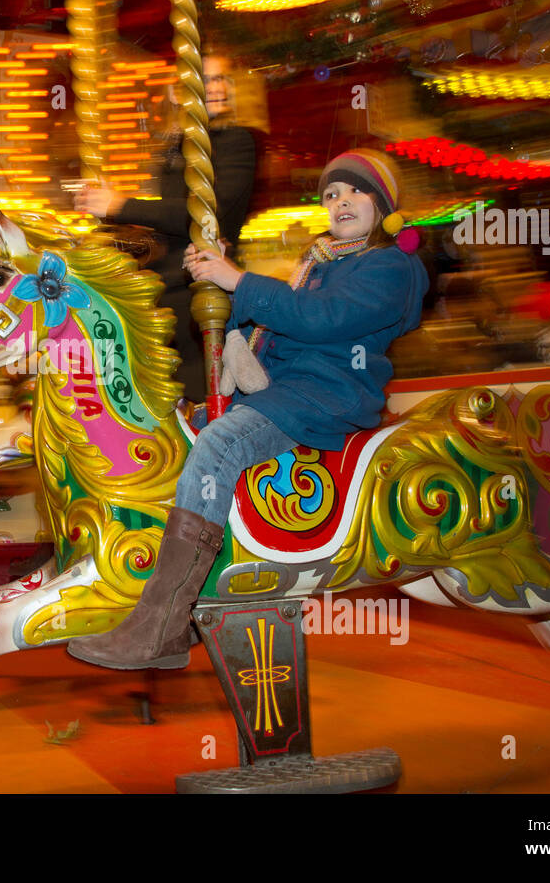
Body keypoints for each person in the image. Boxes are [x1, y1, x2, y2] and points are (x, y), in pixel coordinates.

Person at [68, 149, 429, 670]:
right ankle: (173, 601)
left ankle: (160, 625)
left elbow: (321, 320)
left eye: (355, 191)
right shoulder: (322, 259)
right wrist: (214, 279)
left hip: (324, 394)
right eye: (331, 194)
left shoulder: (389, 266)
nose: (341, 201)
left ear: (384, 205)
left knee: (216, 447)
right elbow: (278, 316)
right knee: (176, 435)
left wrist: (239, 280)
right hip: (282, 389)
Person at [76, 55, 262, 403]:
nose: (218, 88)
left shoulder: (234, 140)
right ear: (178, 94)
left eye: (223, 79)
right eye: (207, 81)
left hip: (198, 287)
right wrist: (116, 220)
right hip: (171, 280)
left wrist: (119, 205)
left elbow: (207, 214)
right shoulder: (176, 146)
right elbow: (171, 225)